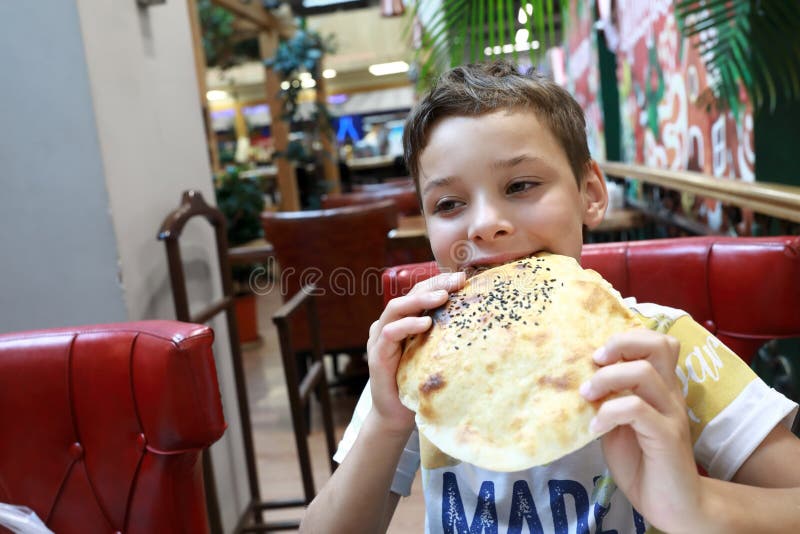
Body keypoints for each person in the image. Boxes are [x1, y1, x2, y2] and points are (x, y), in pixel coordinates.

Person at [300, 61, 800, 533]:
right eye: (449, 203)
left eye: (520, 184)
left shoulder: (660, 343)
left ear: (590, 193)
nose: (485, 224)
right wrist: (389, 422)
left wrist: (697, 503)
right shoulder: (418, 363)